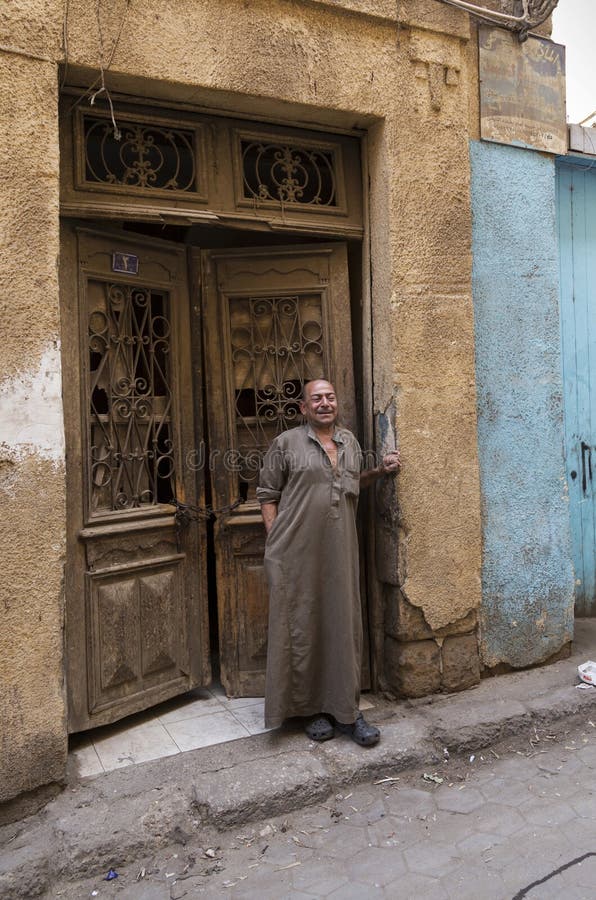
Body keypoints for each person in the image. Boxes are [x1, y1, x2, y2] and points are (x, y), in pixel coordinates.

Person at [256, 378, 401, 746]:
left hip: (339, 550)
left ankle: (347, 712)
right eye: (316, 399)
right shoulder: (285, 443)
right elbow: (267, 495)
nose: (325, 403)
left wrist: (380, 471)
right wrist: (276, 540)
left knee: (342, 624)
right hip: (294, 553)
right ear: (303, 408)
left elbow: (351, 482)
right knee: (303, 625)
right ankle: (311, 710)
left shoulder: (349, 442)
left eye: (330, 397)